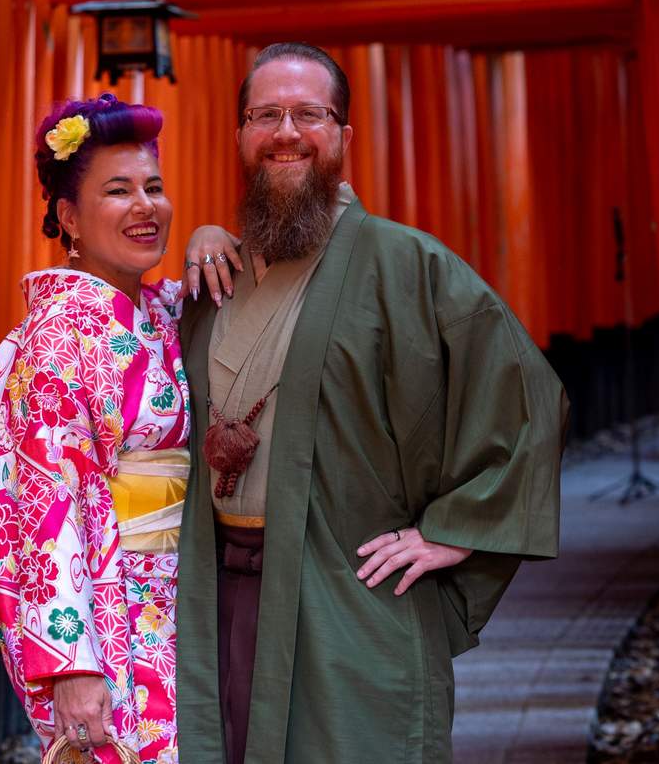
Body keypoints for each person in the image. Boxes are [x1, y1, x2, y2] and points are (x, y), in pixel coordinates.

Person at [175, 43, 569, 764]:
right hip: (217, 598)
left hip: (345, 593)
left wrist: (459, 528)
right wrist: (198, 235)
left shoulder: (406, 264)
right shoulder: (216, 278)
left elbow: (526, 399)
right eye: (265, 114)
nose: (285, 132)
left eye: (308, 114)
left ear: (343, 137)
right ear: (238, 136)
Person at [0, 93, 234, 763]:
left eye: (153, 186)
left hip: (179, 589)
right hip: (111, 603)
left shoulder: (155, 309)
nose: (144, 205)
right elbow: (41, 508)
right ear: (69, 217)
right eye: (117, 191)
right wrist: (71, 664)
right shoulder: (60, 336)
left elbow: (236, 306)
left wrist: (214, 237)